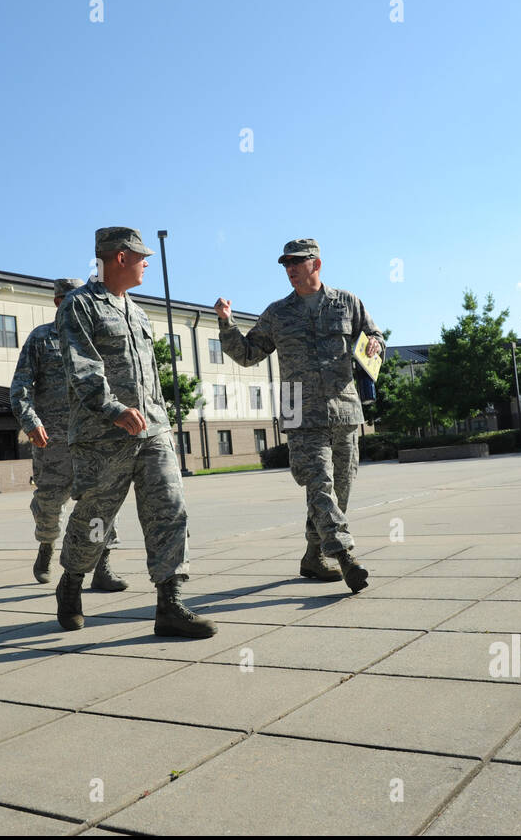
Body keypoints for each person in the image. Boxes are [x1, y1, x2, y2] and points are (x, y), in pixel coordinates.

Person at [54, 227, 216, 638]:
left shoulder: (138, 311)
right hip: (101, 436)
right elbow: (81, 367)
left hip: (152, 432)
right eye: (141, 256)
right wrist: (113, 409)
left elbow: (152, 378)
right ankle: (71, 582)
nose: (147, 262)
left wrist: (158, 416)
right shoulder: (80, 305)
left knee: (169, 509)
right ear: (120, 257)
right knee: (95, 520)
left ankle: (169, 602)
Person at [214, 238, 383, 593]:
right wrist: (227, 325)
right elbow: (247, 354)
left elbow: (374, 336)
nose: (290, 269)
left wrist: (375, 346)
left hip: (344, 407)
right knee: (319, 484)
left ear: (316, 264)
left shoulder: (347, 302)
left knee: (340, 488)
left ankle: (312, 555)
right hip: (299, 407)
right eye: (285, 264)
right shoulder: (277, 313)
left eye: (296, 262)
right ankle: (345, 555)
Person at [9, 278, 126, 591]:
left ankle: (103, 564)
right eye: (68, 299)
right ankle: (47, 545)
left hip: (95, 437)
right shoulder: (41, 338)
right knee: (48, 503)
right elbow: (20, 386)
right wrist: (30, 421)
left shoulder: (98, 335)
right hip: (54, 442)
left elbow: (116, 381)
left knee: (101, 503)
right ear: (58, 302)